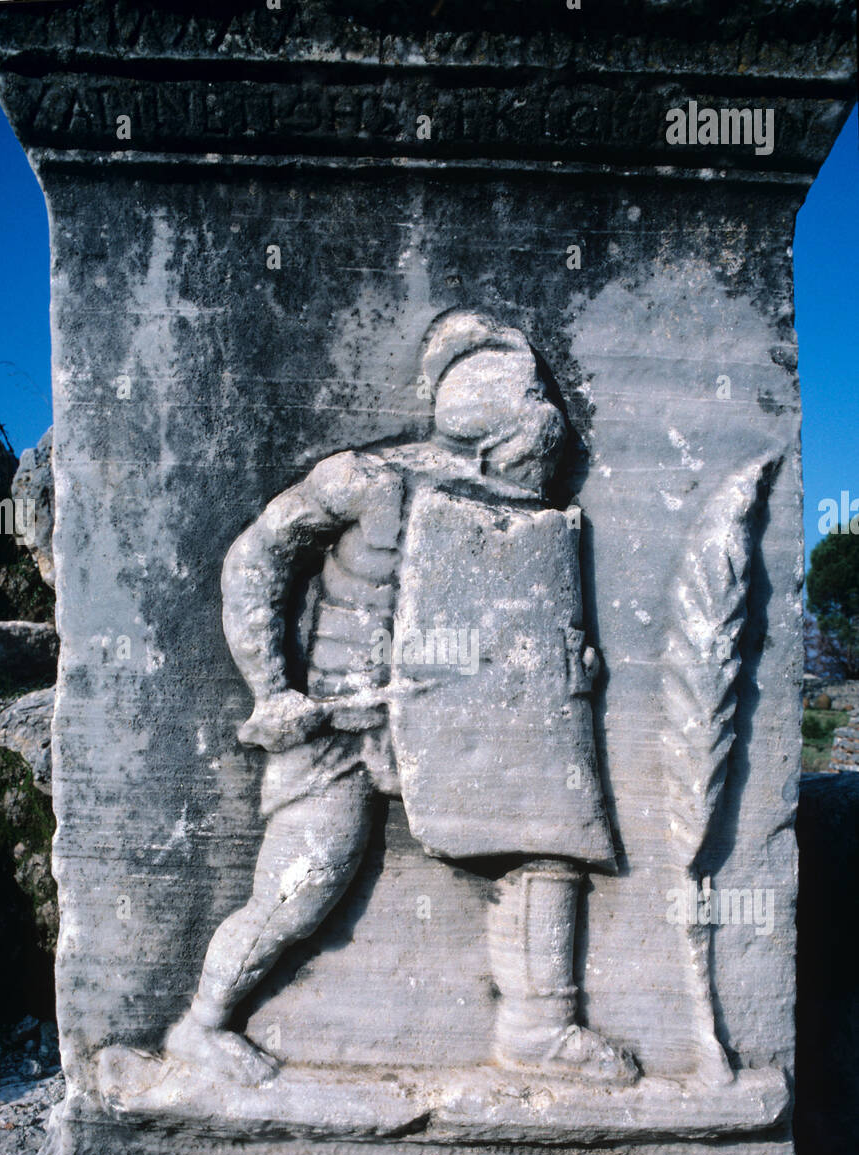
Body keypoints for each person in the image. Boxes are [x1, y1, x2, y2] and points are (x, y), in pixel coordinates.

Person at [166, 311, 637, 1086]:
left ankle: (539, 1032)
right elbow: (256, 558)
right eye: (522, 467)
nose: (533, 488)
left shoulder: (525, 512)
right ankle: (200, 1025)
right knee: (301, 889)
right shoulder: (366, 482)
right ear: (480, 445)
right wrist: (271, 689)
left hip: (468, 724)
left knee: (546, 849)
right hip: (342, 724)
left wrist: (553, 668)